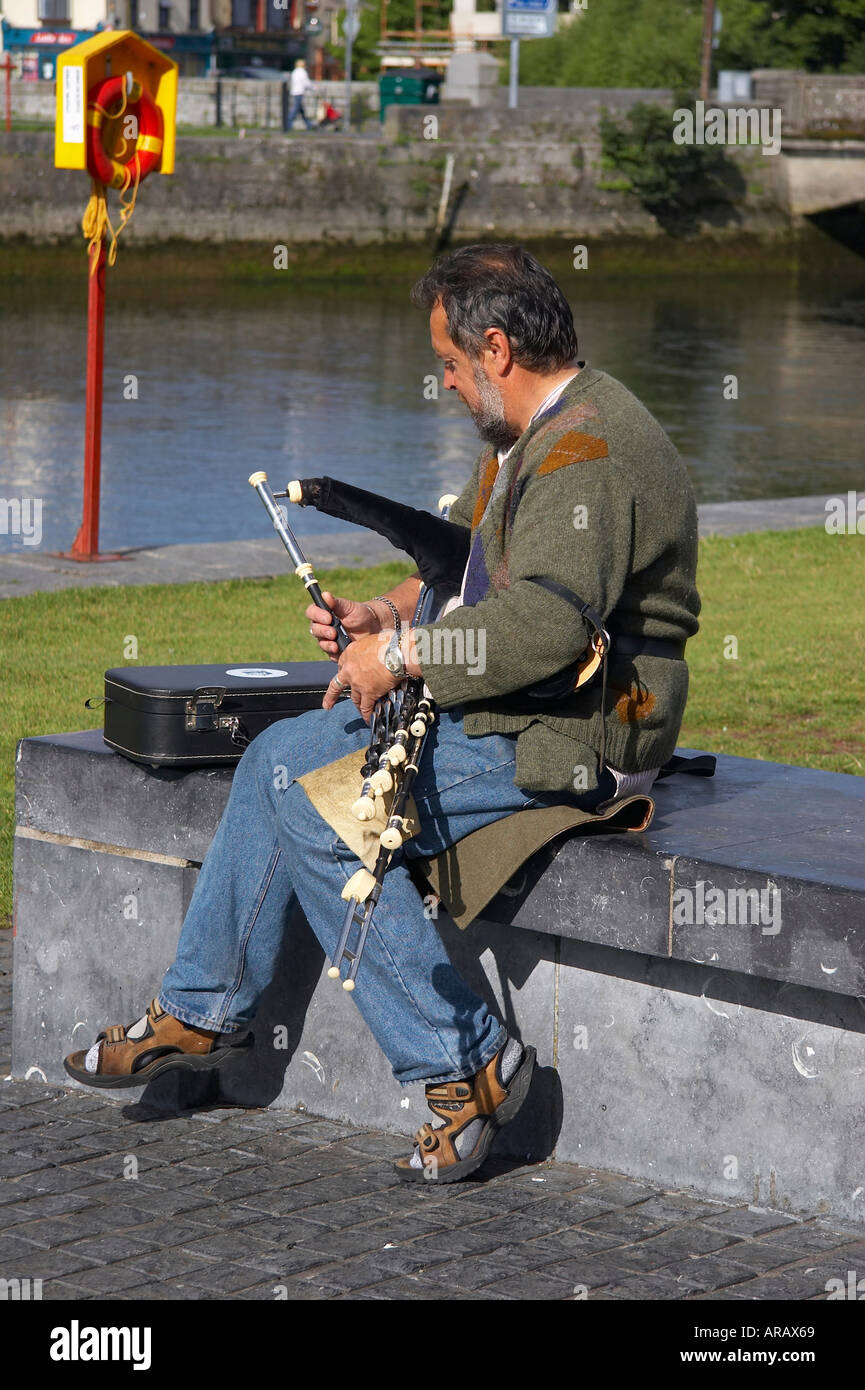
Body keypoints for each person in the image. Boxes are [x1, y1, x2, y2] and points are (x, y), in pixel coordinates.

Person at [64, 244, 701, 1183]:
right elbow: (468, 565)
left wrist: (399, 657)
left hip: (582, 734)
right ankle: (201, 1012)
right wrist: (388, 615)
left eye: (447, 361)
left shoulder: (589, 450)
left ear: (494, 349)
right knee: (280, 755)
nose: (442, 381)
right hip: (509, 706)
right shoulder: (532, 434)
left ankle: (468, 1065)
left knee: (329, 813)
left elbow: (548, 628)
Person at [286, 58, 315, 132]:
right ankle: (288, 123)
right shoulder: (302, 72)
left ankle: (309, 124)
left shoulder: (295, 72)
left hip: (295, 91)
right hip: (299, 92)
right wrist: (313, 87)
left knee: (301, 109)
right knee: (296, 108)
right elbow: (306, 83)